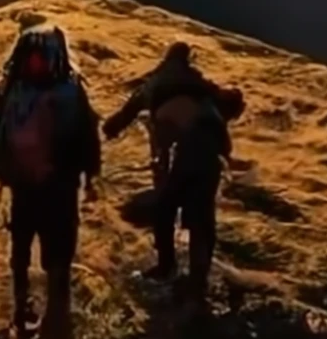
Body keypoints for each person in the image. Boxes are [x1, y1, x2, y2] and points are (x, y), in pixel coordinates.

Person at [0, 24, 101, 339]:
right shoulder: (71, 92)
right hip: (59, 190)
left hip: (23, 188)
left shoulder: (10, 90)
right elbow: (88, 139)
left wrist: (2, 168)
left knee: (21, 250)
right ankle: (56, 336)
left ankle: (21, 313)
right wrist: (90, 176)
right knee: (58, 260)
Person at [103, 41, 243, 298]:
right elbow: (230, 102)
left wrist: (108, 129)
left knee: (166, 205)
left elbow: (118, 121)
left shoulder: (153, 85)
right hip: (215, 143)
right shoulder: (200, 84)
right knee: (201, 213)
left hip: (193, 143)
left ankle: (166, 268)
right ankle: (198, 280)